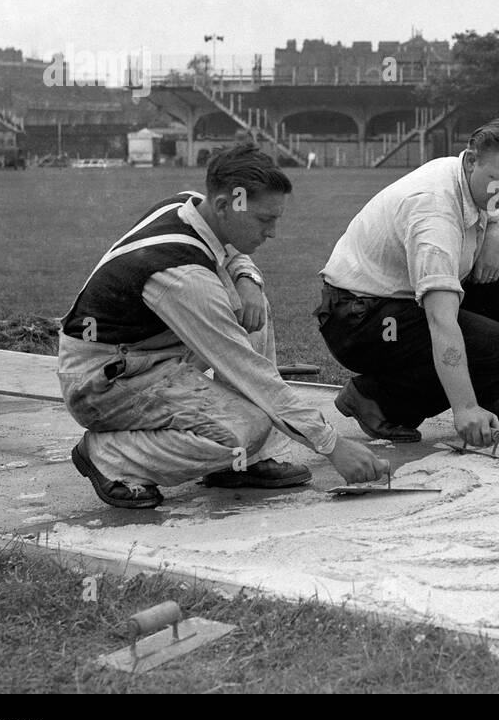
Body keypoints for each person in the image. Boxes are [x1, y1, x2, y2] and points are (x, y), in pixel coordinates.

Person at [57, 143, 388, 509]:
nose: (273, 232)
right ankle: (110, 457)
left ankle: (248, 464)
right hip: (103, 383)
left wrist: (246, 277)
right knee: (243, 430)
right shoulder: (183, 279)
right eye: (264, 220)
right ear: (223, 205)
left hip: (140, 354)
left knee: (252, 309)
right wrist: (332, 445)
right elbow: (250, 373)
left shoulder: (189, 205)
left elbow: (227, 249)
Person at [317, 112, 499, 445]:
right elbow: (440, 321)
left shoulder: (465, 173)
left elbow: (490, 208)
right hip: (361, 321)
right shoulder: (434, 214)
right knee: (495, 347)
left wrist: (495, 231)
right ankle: (375, 399)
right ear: (472, 161)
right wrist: (464, 408)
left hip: (392, 299)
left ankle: (495, 396)